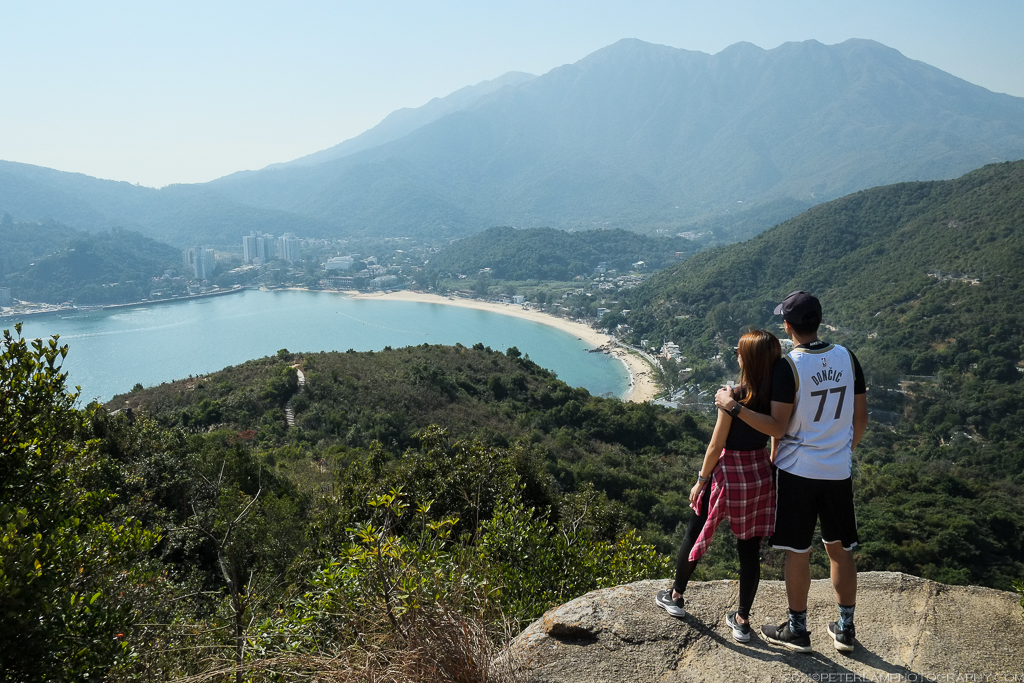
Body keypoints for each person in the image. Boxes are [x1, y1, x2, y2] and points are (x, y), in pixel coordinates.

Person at [715, 291, 867, 653]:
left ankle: (797, 629)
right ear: (819, 320)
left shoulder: (789, 366)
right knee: (840, 548)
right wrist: (840, 453)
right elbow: (860, 420)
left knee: (798, 551)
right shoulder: (847, 357)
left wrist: (733, 407)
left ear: (787, 325)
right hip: (837, 471)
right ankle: (845, 629)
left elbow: (777, 427)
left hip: (797, 472)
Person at [655, 329, 781, 643]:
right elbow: (778, 433)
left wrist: (701, 480)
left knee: (695, 531)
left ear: (747, 359)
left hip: (727, 474)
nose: (736, 354)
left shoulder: (734, 395)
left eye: (740, 351)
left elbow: (715, 445)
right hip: (759, 473)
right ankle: (741, 620)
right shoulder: (775, 397)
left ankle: (676, 597)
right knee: (750, 549)